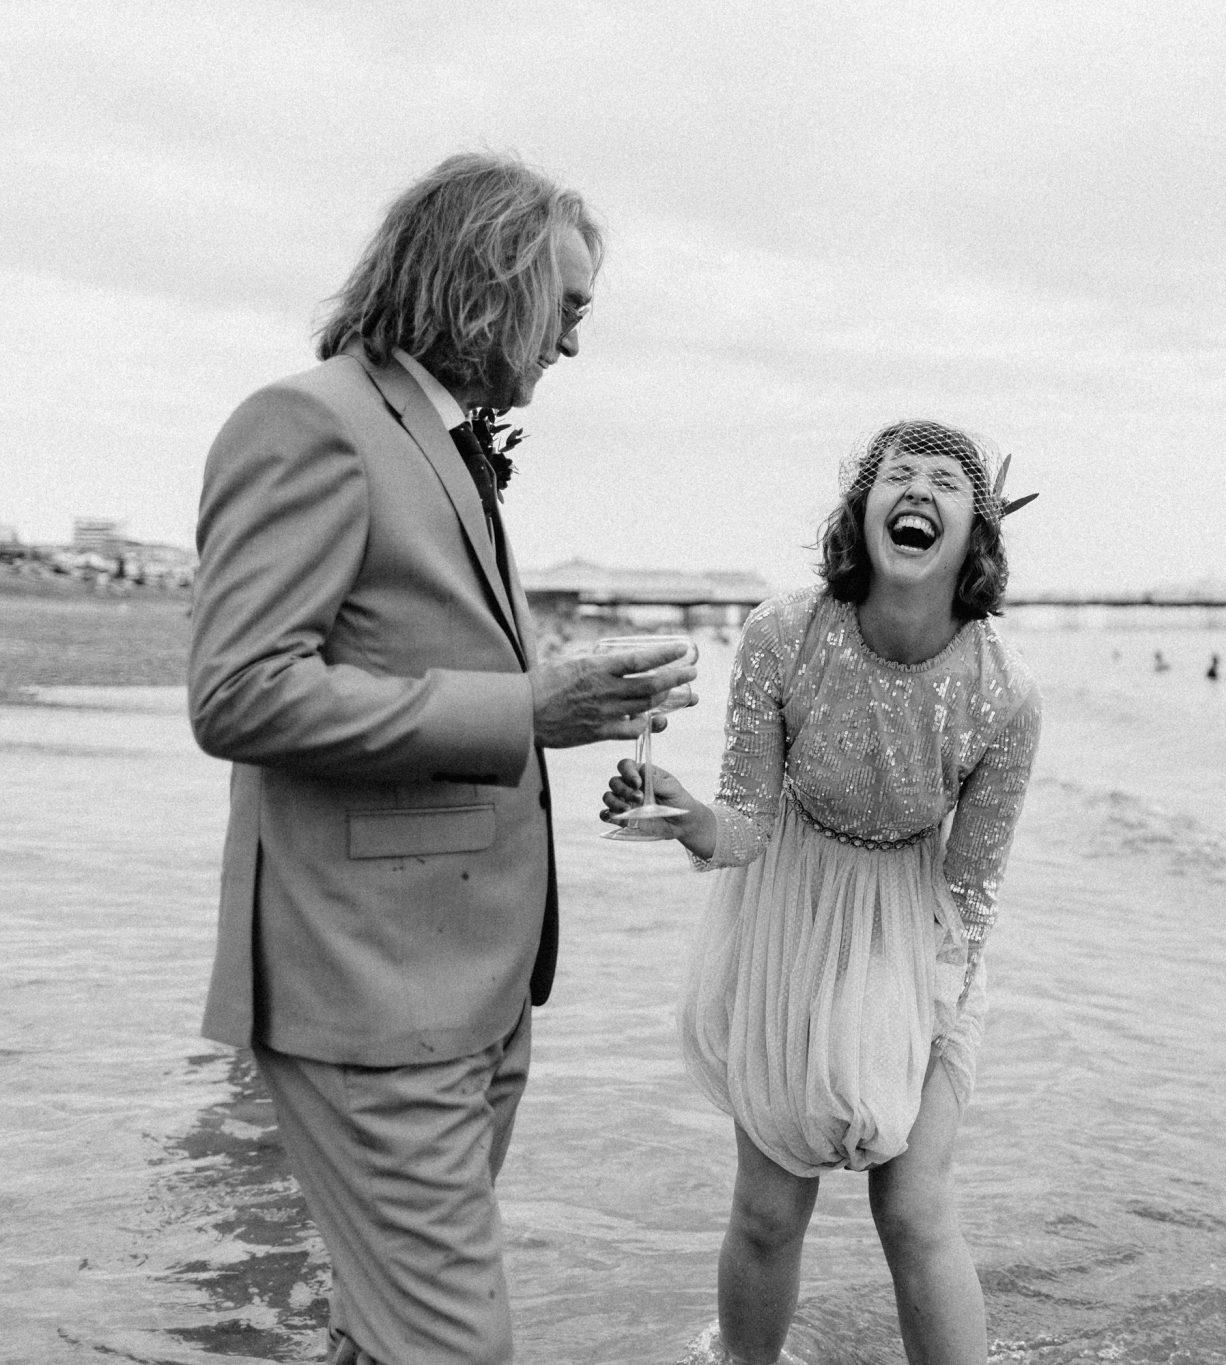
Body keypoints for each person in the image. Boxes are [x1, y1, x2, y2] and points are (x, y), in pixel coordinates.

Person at [187, 152, 697, 1365]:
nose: (571, 348)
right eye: (566, 309)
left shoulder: (437, 433)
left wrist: (561, 697)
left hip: (472, 988)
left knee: (389, 1339)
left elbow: (412, 652)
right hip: (373, 994)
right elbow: (239, 694)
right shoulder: (309, 423)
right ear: (489, 278)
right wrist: (522, 708)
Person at [602, 420, 1041, 1364]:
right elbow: (747, 821)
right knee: (768, 1210)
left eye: (944, 482)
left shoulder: (1006, 694)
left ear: (977, 534)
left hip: (923, 934)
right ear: (863, 508)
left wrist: (917, 1015)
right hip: (790, 913)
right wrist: (684, 814)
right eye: (898, 474)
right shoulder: (784, 633)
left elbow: (973, 894)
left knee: (913, 1208)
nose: (918, 488)